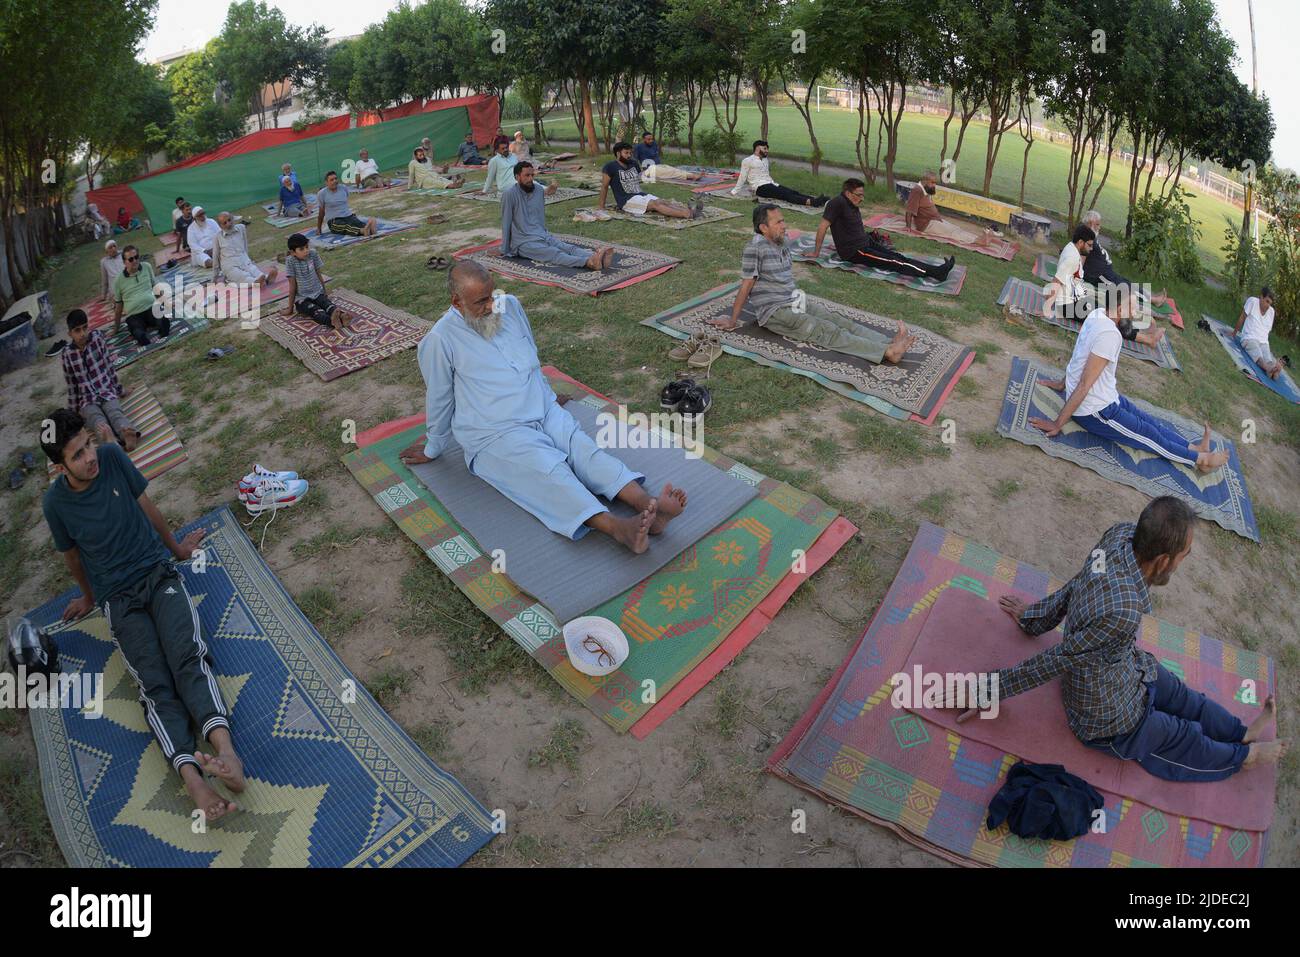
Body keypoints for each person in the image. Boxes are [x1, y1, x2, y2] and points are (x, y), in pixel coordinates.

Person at [947, 497, 1285, 781]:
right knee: (1177, 733)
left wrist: (1035, 619)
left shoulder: (1120, 536)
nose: (1184, 561)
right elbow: (1058, 658)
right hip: (1107, 719)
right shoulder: (1123, 612)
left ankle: (1242, 733)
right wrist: (988, 691)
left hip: (1127, 667)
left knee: (1182, 695)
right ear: (1164, 560)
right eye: (1186, 554)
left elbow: (1079, 583)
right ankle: (1244, 757)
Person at [399, 261, 688, 553]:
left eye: (491, 296)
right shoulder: (439, 339)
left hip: (542, 408)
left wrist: (546, 394)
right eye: (480, 302)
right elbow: (439, 398)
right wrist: (432, 447)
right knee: (548, 471)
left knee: (584, 451)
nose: (490, 306)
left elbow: (530, 355)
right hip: (496, 432)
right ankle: (618, 528)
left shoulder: (509, 305)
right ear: (456, 302)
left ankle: (648, 506)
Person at [41, 408, 244, 821]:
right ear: (59, 466)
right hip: (117, 598)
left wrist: (177, 549)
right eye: (77, 455)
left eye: (88, 444)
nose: (90, 457)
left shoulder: (113, 458)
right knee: (153, 683)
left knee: (187, 655)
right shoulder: (55, 504)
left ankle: (226, 753)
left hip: (156, 574)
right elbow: (73, 557)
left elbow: (146, 505)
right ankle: (194, 781)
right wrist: (88, 597)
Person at [1029, 286, 1228, 472]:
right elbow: (1084, 384)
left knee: (1151, 423)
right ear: (1118, 308)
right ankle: (1200, 460)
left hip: (1107, 397)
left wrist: (1063, 384)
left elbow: (1078, 358)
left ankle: (1194, 447)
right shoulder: (1109, 335)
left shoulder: (1097, 314)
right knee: (1150, 437)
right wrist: (1057, 424)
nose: (1134, 313)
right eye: (1131, 307)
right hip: (1094, 411)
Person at [709, 203, 915, 364]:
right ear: (763, 228)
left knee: (838, 320)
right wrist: (733, 320)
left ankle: (888, 342)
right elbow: (746, 285)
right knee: (825, 329)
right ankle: (887, 353)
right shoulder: (755, 248)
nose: (784, 225)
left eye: (783, 221)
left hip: (793, 300)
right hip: (774, 310)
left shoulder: (781, 242)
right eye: (778, 223)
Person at [809, 178, 956, 282]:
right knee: (895, 262)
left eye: (863, 195)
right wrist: (816, 252)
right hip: (855, 252)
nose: (862, 198)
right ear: (848, 193)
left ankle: (936, 269)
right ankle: (937, 273)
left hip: (866, 243)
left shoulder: (851, 203)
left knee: (899, 257)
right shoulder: (836, 203)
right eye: (859, 195)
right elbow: (822, 227)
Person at [502, 162, 610, 270]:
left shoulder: (538, 190)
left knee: (567, 247)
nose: (530, 179)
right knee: (553, 253)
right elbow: (506, 223)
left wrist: (545, 235)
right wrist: (505, 250)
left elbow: (539, 217)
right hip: (524, 241)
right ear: (517, 177)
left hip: (542, 235)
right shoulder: (509, 194)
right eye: (527, 175)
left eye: (532, 175)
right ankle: (588, 262)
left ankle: (599, 258)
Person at [61, 309, 141, 451]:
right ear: (70, 334)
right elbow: (72, 386)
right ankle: (111, 443)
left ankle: (127, 432)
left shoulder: (97, 338)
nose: (83, 333)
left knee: (115, 412)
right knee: (97, 420)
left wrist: (120, 390)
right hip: (86, 400)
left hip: (106, 390)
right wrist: (73, 412)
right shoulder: (67, 354)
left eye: (85, 327)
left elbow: (109, 366)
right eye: (77, 330)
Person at [1080, 210, 1167, 306]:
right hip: (1098, 275)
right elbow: (1081, 258)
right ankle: (1154, 300)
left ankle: (1150, 295)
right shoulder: (1086, 238)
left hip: (1105, 273)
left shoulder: (1089, 236)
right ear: (1090, 224)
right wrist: (1078, 277)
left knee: (1126, 281)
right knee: (1123, 287)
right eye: (1097, 224)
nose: (1099, 227)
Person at [599, 142, 702, 220]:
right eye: (626, 153)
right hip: (626, 201)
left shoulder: (633, 163)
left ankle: (688, 210)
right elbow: (604, 187)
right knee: (655, 204)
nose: (629, 155)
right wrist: (601, 207)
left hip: (640, 194)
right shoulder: (610, 167)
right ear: (618, 153)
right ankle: (686, 214)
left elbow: (639, 177)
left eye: (630, 153)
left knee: (662, 201)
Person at [282, 232, 351, 333]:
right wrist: (290, 308)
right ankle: (332, 321)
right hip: (302, 299)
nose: (306, 251)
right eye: (301, 249)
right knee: (315, 311)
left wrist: (324, 291)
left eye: (306, 247)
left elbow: (319, 274)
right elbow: (292, 286)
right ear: (293, 252)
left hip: (317, 293)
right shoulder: (290, 262)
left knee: (327, 304)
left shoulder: (313, 254)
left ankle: (342, 316)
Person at [905, 171, 996, 247]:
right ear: (925, 181)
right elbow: (909, 211)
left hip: (934, 220)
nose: (934, 185)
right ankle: (980, 241)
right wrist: (908, 228)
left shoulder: (925, 189)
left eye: (935, 183)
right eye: (932, 182)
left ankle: (978, 238)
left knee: (956, 228)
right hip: (927, 224)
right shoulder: (917, 190)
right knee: (952, 233)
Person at [731, 140, 827, 207]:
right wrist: (735, 191)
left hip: (771, 183)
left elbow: (766, 175)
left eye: (767, 149)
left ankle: (817, 200)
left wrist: (774, 184)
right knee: (785, 195)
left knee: (792, 192)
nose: (767, 151)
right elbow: (742, 177)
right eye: (765, 149)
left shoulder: (765, 160)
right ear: (757, 148)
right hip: (759, 188)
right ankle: (812, 202)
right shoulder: (747, 160)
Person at [112, 244, 170, 347]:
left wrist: (166, 304)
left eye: (136, 257)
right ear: (124, 262)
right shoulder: (118, 281)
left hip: (151, 308)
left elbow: (155, 288)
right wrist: (116, 328)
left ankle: (162, 332)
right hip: (134, 314)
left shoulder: (146, 267)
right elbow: (119, 306)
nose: (134, 261)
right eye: (130, 259)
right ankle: (143, 338)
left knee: (163, 321)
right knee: (137, 330)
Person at [1043, 225, 1096, 318]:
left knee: (1101, 308)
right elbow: (1056, 282)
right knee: (1097, 317)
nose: (1091, 249)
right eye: (1089, 245)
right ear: (1080, 242)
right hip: (1067, 304)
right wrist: (1046, 309)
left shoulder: (1071, 246)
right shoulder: (1072, 259)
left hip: (1074, 296)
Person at [1233, 286, 1285, 380]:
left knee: (1268, 358)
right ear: (1261, 297)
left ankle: (1274, 372)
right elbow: (1242, 317)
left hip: (1263, 342)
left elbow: (1267, 331)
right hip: (1249, 338)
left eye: (1270, 303)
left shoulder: (1271, 311)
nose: (1268, 305)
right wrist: (1234, 333)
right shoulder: (1252, 301)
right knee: (1257, 353)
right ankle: (1269, 369)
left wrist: (1265, 344)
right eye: (1267, 301)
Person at [212, 212, 277, 286]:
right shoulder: (217, 237)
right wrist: (215, 277)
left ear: (233, 219)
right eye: (224, 223)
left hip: (243, 259)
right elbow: (215, 256)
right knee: (241, 275)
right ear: (220, 226)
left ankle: (266, 278)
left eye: (229, 220)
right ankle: (255, 282)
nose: (228, 224)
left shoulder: (241, 228)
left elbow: (245, 247)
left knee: (253, 270)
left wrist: (247, 260)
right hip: (229, 265)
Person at [316, 171, 377, 238]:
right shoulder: (322, 194)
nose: (335, 181)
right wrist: (319, 228)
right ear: (326, 183)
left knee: (357, 223)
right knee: (346, 227)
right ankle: (362, 231)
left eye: (336, 179)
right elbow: (321, 213)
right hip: (334, 220)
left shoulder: (343, 188)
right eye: (331, 180)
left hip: (348, 216)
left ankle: (370, 229)